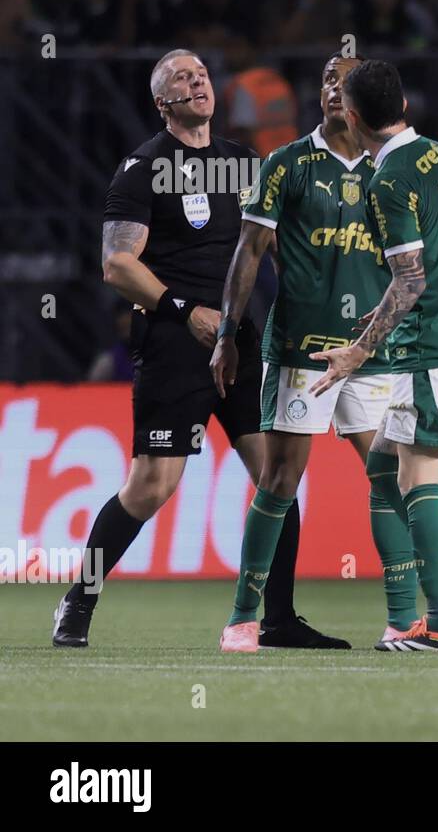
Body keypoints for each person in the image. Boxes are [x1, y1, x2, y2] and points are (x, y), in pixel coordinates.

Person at [54, 49, 342, 649]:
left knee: (278, 474)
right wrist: (185, 312)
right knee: (152, 484)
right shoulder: (144, 167)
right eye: (183, 78)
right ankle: (78, 599)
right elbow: (116, 264)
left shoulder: (243, 162)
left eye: (204, 74)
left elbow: (277, 242)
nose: (199, 82)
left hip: (240, 339)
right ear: (163, 103)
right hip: (173, 341)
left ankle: (280, 618)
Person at [210, 53, 438, 653]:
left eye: (347, 81)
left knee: (387, 476)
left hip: (372, 348)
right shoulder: (286, 165)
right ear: (320, 95)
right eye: (328, 80)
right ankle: (242, 618)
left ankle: (404, 619)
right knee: (279, 479)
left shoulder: (393, 170)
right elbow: (249, 252)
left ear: (360, 102)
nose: (336, 90)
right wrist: (229, 332)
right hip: (302, 348)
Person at [305, 60, 438, 653]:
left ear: (354, 117)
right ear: (405, 105)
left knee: (419, 478)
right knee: (384, 466)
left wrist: (358, 351)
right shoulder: (437, 154)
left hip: (436, 348)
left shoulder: (387, 179)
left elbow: (409, 280)